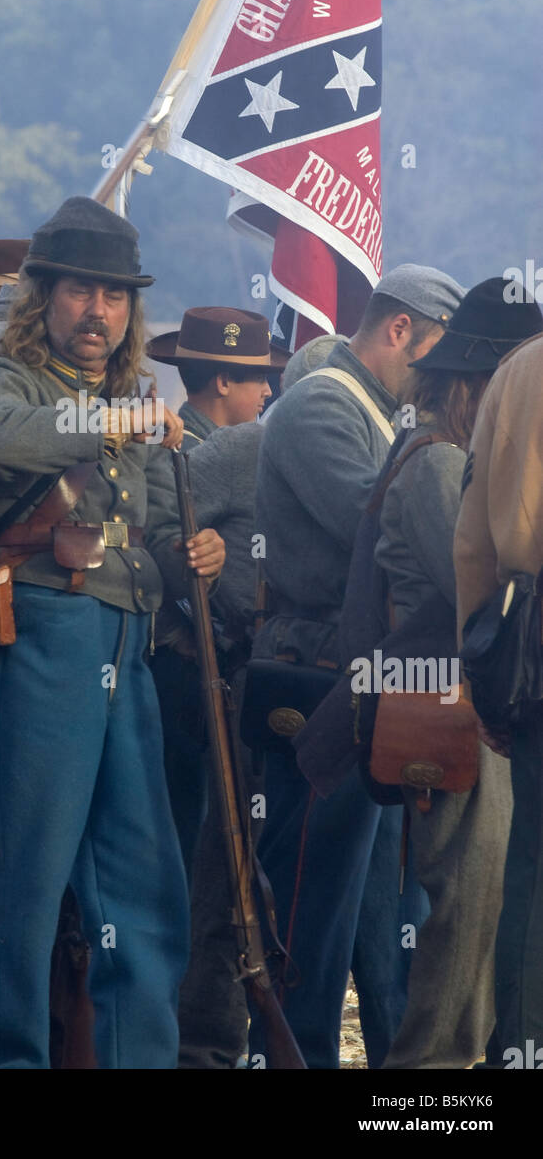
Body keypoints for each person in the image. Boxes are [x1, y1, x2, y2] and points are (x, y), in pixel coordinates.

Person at [0, 196, 225, 1069]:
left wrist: (192, 556)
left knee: (141, 885)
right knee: (22, 885)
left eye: (115, 295)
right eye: (80, 291)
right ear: (44, 297)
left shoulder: (121, 392)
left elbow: (130, 531)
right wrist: (112, 421)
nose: (98, 311)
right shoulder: (7, 368)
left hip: (124, 639)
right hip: (40, 636)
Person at [248, 264, 464, 1069]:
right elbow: (378, 532)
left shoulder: (373, 410)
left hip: (364, 678)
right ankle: (291, 1056)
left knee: (381, 914)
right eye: (439, 356)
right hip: (320, 671)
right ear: (400, 329)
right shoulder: (321, 406)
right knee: (311, 902)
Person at [366, 277, 540, 1068]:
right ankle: (426, 1099)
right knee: (465, 925)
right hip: (456, 713)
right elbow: (480, 587)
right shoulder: (439, 464)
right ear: (476, 385)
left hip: (469, 705)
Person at [145, 307, 279, 1068]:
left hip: (214, 682)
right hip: (189, 683)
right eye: (259, 378)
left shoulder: (202, 447)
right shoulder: (195, 454)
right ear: (223, 377)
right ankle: (194, 1044)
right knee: (200, 862)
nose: (268, 392)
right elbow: (151, 547)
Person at [454, 316, 543, 1064]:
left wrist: (483, 678)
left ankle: (520, 1048)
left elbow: (472, 543)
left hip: (528, 648)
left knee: (536, 869)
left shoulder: (518, 372)